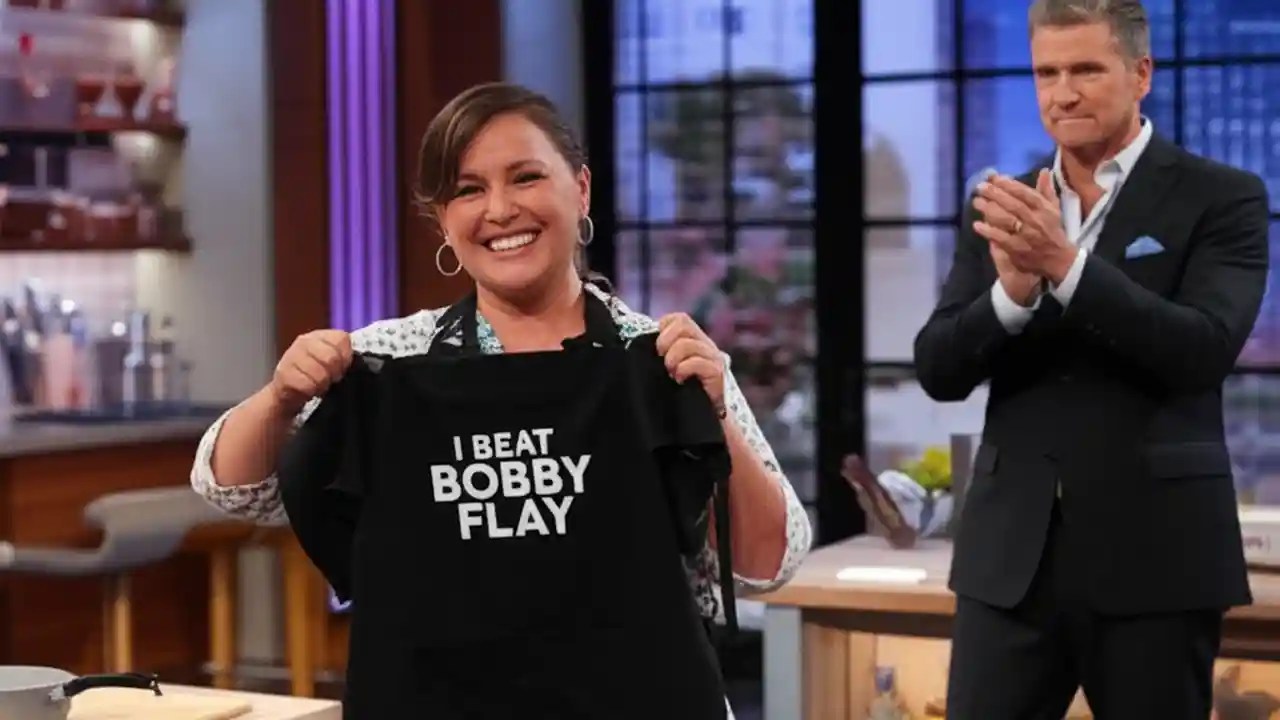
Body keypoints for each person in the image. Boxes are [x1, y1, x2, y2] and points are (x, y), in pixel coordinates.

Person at [190, 81, 812, 717]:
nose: (500, 209)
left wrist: (712, 421)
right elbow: (230, 487)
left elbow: (768, 565)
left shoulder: (665, 359)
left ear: (582, 189)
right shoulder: (390, 360)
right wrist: (281, 398)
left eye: (526, 177)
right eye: (468, 189)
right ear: (442, 218)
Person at [914, 1, 1270, 718]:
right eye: (1046, 72)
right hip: (1009, 565)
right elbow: (939, 368)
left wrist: (1066, 268)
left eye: (1085, 69)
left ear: (1140, 74)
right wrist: (1010, 297)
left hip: (1157, 563)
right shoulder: (999, 203)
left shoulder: (1223, 198)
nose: (1062, 92)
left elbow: (1201, 348)